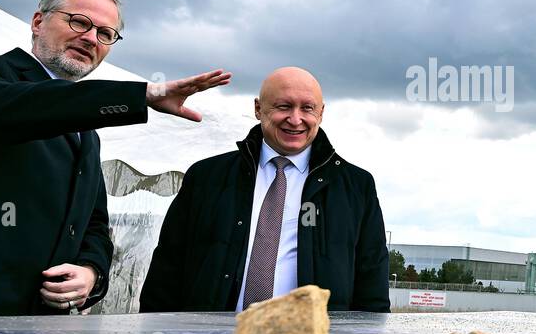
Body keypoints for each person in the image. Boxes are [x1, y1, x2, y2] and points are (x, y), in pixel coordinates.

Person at [0, 0, 230, 317]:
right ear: (37, 21)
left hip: (37, 332)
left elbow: (94, 225)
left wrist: (91, 273)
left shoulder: (85, 132)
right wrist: (141, 94)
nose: (91, 38)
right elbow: (10, 108)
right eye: (79, 23)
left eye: (105, 34)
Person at [139, 67, 389, 313]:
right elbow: (166, 271)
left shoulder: (357, 187)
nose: (295, 119)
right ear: (258, 109)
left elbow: (372, 286)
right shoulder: (206, 178)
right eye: (283, 106)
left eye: (307, 108)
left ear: (321, 113)